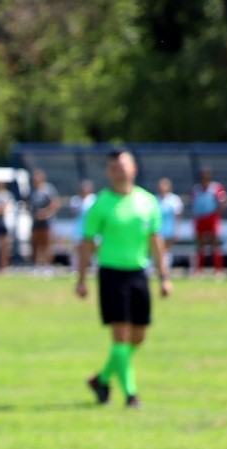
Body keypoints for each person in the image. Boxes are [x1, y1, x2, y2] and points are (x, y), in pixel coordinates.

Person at [77, 150, 170, 410]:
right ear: (109, 172)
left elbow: (155, 240)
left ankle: (102, 379)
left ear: (134, 169)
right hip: (111, 274)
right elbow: (86, 242)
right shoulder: (101, 204)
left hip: (139, 274)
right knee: (120, 337)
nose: (120, 170)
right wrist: (81, 278)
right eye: (114, 167)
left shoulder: (148, 202)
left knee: (138, 337)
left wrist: (164, 276)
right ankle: (131, 394)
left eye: (124, 165)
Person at [191, 167, 227, 279]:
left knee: (215, 244)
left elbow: (223, 200)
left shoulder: (216, 187)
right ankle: (199, 270)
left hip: (212, 217)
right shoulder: (196, 189)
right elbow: (193, 202)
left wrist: (218, 212)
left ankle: (218, 270)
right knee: (200, 245)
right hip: (200, 218)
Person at [27, 168, 61, 276]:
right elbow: (29, 205)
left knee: (47, 244)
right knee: (35, 244)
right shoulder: (32, 191)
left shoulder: (49, 189)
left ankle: (48, 267)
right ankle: (36, 266)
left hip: (47, 221)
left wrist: (45, 213)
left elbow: (55, 203)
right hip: (35, 221)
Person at [155, 178, 184, 277]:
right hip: (157, 231)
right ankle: (158, 270)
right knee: (157, 251)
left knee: (167, 252)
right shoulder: (155, 199)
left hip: (169, 230)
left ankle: (165, 272)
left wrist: (177, 231)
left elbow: (178, 217)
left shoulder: (174, 200)